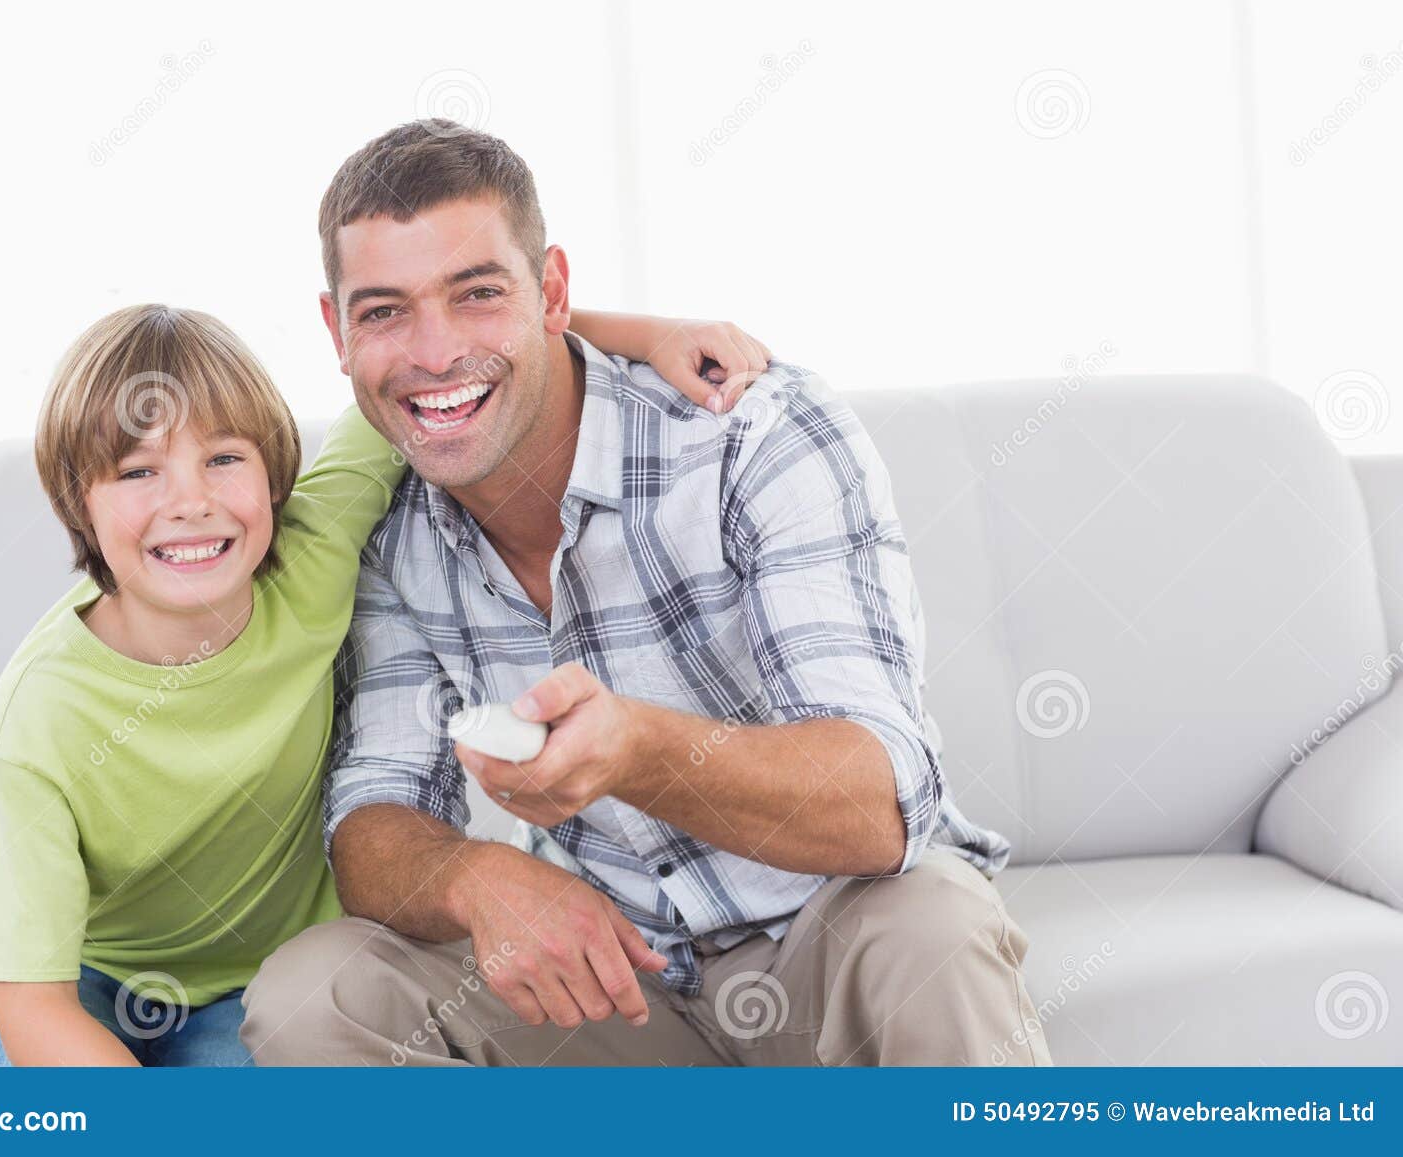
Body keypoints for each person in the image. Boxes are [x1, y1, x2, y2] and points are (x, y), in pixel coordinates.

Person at [239, 120, 1051, 1067]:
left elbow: (883, 806)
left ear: (553, 293)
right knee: (316, 993)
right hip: (618, 981)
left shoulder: (750, 437)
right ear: (337, 333)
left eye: (478, 293)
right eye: (385, 311)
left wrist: (636, 748)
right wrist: (475, 878)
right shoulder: (386, 529)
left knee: (933, 926)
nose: (435, 350)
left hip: (834, 936)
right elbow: (372, 819)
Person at [0, 300, 770, 1066]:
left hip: (257, 979)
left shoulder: (313, 551)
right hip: (86, 978)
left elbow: (440, 367)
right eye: (139, 472)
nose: (191, 502)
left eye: (224, 459)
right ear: (80, 502)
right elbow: (34, 1001)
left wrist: (649, 335)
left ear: (275, 478)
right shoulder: (43, 713)